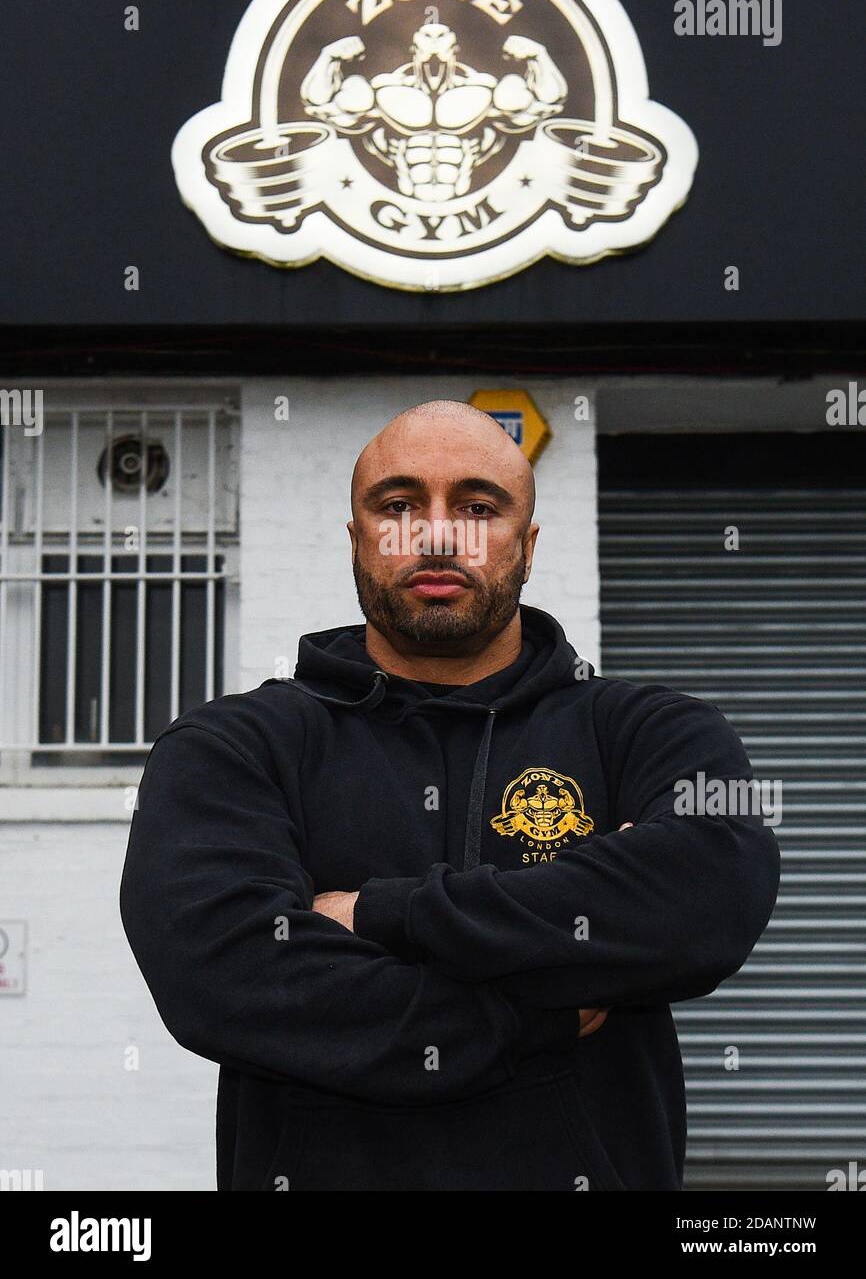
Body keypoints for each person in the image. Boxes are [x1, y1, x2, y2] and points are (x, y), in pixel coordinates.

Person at [119, 400, 780, 1191]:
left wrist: (375, 915)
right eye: (397, 506)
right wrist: (539, 1013)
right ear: (356, 540)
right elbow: (222, 977)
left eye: (477, 507)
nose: (437, 536)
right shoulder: (232, 747)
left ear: (528, 547)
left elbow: (706, 898)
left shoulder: (652, 732)